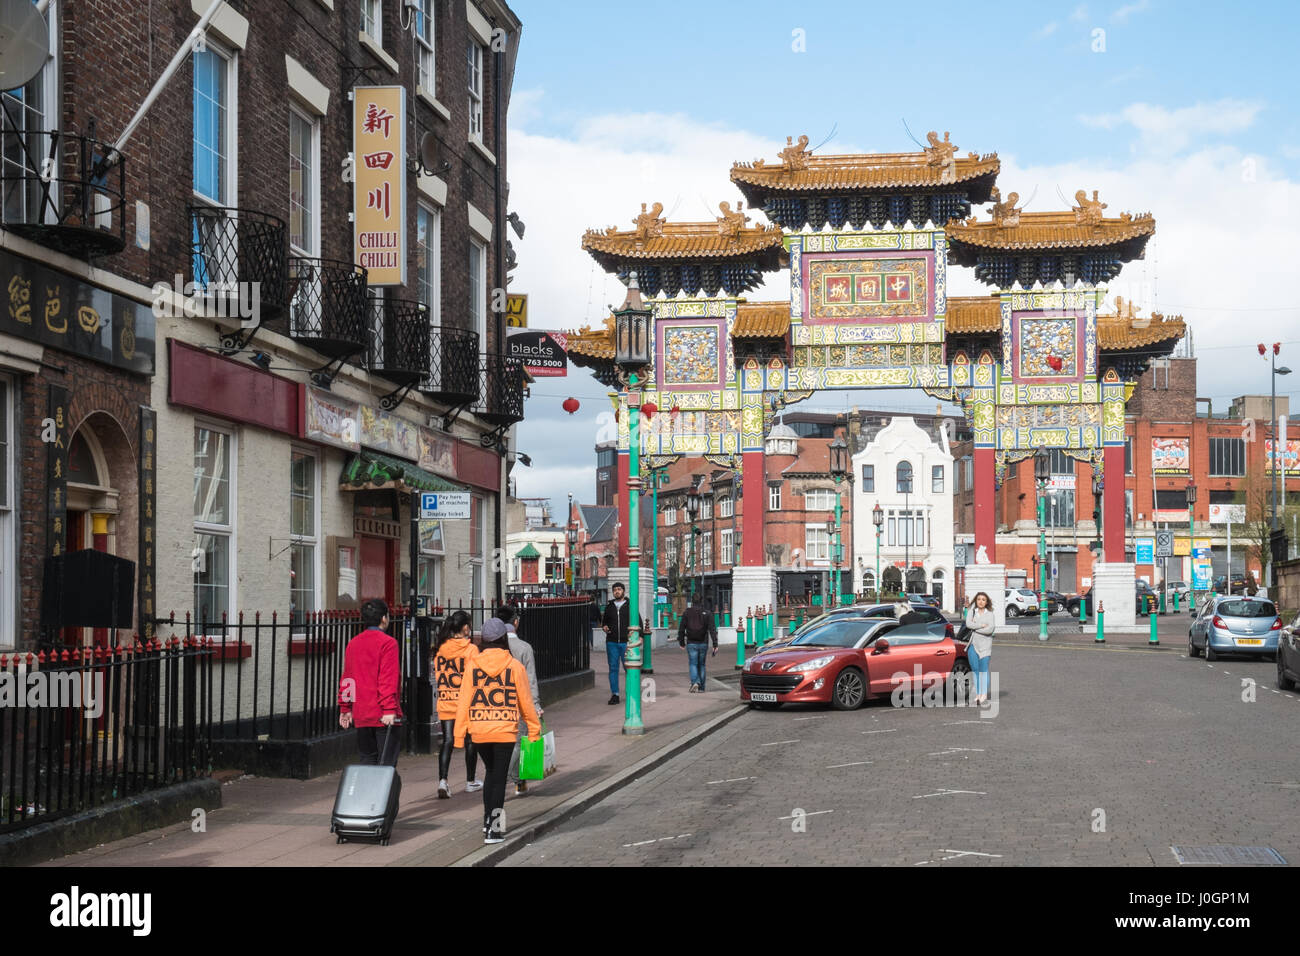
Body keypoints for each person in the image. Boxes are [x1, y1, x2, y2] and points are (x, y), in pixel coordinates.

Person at [454, 617, 541, 844]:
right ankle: (494, 829)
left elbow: (464, 701)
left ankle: (487, 823)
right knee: (498, 780)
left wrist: (459, 735)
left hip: (479, 731)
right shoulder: (515, 667)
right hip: (504, 730)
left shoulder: (473, 665)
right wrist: (534, 731)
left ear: (484, 640)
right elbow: (526, 703)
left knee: (491, 774)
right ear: (504, 638)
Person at [338, 598, 402, 766]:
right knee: (386, 766)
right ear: (383, 618)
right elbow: (387, 679)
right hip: (383, 714)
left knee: (367, 761)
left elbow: (347, 678)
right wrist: (389, 709)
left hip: (361, 713)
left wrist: (345, 707)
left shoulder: (353, 643)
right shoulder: (389, 643)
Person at [431, 609, 481, 798]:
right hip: (465, 702)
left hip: (445, 699)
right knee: (470, 741)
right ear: (465, 627)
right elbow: (476, 676)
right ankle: (470, 781)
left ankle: (443, 781)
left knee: (448, 741)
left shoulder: (441, 649)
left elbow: (437, 673)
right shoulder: (471, 650)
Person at [495, 604, 543, 796]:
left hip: (497, 701)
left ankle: (518, 782)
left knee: (504, 741)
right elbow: (531, 679)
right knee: (518, 742)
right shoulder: (524, 648)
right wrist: (536, 704)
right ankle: (509, 778)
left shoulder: (493, 647)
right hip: (520, 702)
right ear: (516, 622)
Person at [600, 582, 644, 705]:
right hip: (612, 642)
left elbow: (638, 620)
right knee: (613, 668)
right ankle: (615, 694)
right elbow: (604, 622)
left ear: (623, 591)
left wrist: (641, 636)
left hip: (626, 643)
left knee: (628, 669)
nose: (617, 592)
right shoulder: (609, 607)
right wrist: (605, 627)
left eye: (619, 589)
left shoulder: (630, 606)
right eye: (615, 590)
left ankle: (631, 693)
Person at [678, 596, 718, 693]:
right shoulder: (707, 613)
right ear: (701, 601)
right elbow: (712, 629)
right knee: (702, 665)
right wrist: (715, 644)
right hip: (703, 643)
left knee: (693, 664)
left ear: (692, 601)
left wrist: (682, 642)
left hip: (691, 643)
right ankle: (702, 687)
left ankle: (695, 682)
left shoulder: (687, 612)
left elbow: (682, 628)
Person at [965, 592, 996, 706]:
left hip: (985, 646)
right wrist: (981, 625)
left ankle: (984, 694)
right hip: (973, 645)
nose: (981, 601)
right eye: (978, 599)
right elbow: (968, 624)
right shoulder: (972, 612)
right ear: (976, 601)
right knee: (975, 670)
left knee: (984, 670)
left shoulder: (990, 614)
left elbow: (990, 630)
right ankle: (978, 694)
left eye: (983, 599)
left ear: (987, 602)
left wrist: (975, 627)